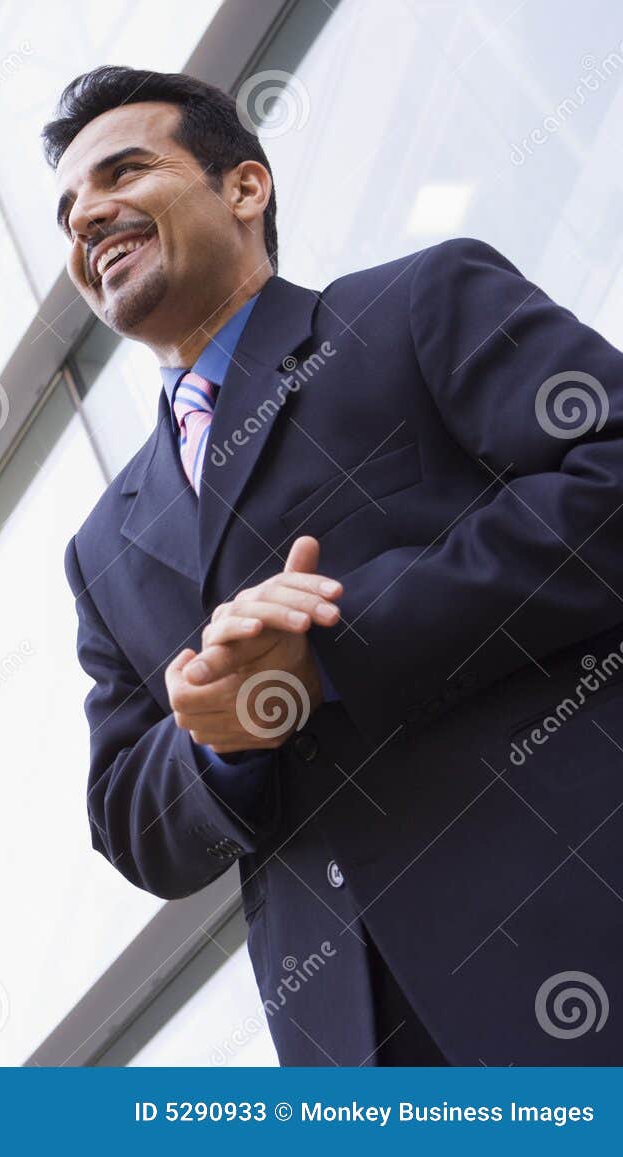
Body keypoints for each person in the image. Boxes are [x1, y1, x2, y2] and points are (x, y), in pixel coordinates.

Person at [50, 66, 623, 1065]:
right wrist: (219, 736)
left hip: (577, 932)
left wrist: (335, 648)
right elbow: (129, 815)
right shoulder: (102, 547)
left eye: (122, 172)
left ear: (243, 187)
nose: (87, 215)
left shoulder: (412, 305)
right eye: (66, 212)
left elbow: (609, 474)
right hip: (354, 1050)